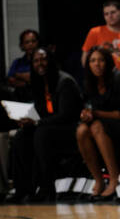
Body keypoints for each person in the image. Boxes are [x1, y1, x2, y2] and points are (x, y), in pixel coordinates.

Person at [10, 49, 82, 201]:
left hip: (69, 129)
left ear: (51, 61)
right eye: (36, 61)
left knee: (41, 134)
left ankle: (46, 187)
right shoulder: (39, 83)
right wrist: (27, 120)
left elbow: (66, 115)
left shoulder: (65, 81)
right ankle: (22, 189)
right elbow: (40, 111)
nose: (40, 64)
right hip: (47, 127)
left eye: (43, 59)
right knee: (20, 137)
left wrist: (37, 123)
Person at [76, 46, 120, 199]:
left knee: (96, 126)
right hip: (98, 126)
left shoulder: (119, 78)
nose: (97, 64)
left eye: (101, 60)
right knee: (81, 130)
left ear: (107, 62)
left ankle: (114, 179)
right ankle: (98, 180)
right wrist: (85, 113)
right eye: (93, 61)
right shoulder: (89, 82)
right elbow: (87, 105)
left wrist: (95, 114)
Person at [80, 0, 120, 72]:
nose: (110, 16)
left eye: (113, 12)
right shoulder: (95, 32)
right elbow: (85, 58)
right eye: (106, 14)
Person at [6, 29, 40, 96]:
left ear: (38, 43)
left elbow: (39, 80)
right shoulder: (17, 62)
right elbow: (10, 81)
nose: (30, 44)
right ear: (22, 45)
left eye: (33, 41)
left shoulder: (43, 61)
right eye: (27, 42)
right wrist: (28, 82)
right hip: (20, 99)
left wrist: (18, 75)